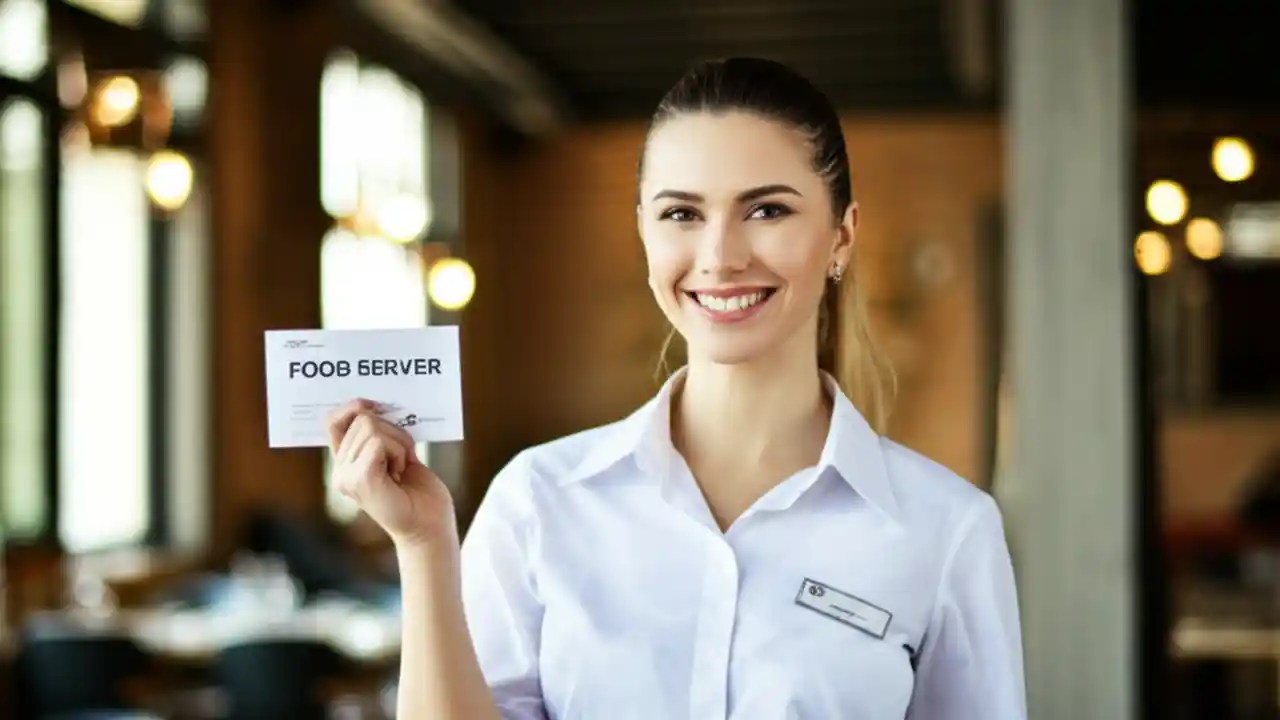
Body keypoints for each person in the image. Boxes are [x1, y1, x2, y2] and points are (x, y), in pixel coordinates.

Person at [327, 57, 1026, 720]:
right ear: (643, 233)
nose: (720, 257)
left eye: (767, 211)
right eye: (681, 214)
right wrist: (422, 546)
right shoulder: (538, 502)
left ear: (842, 236)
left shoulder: (947, 531)